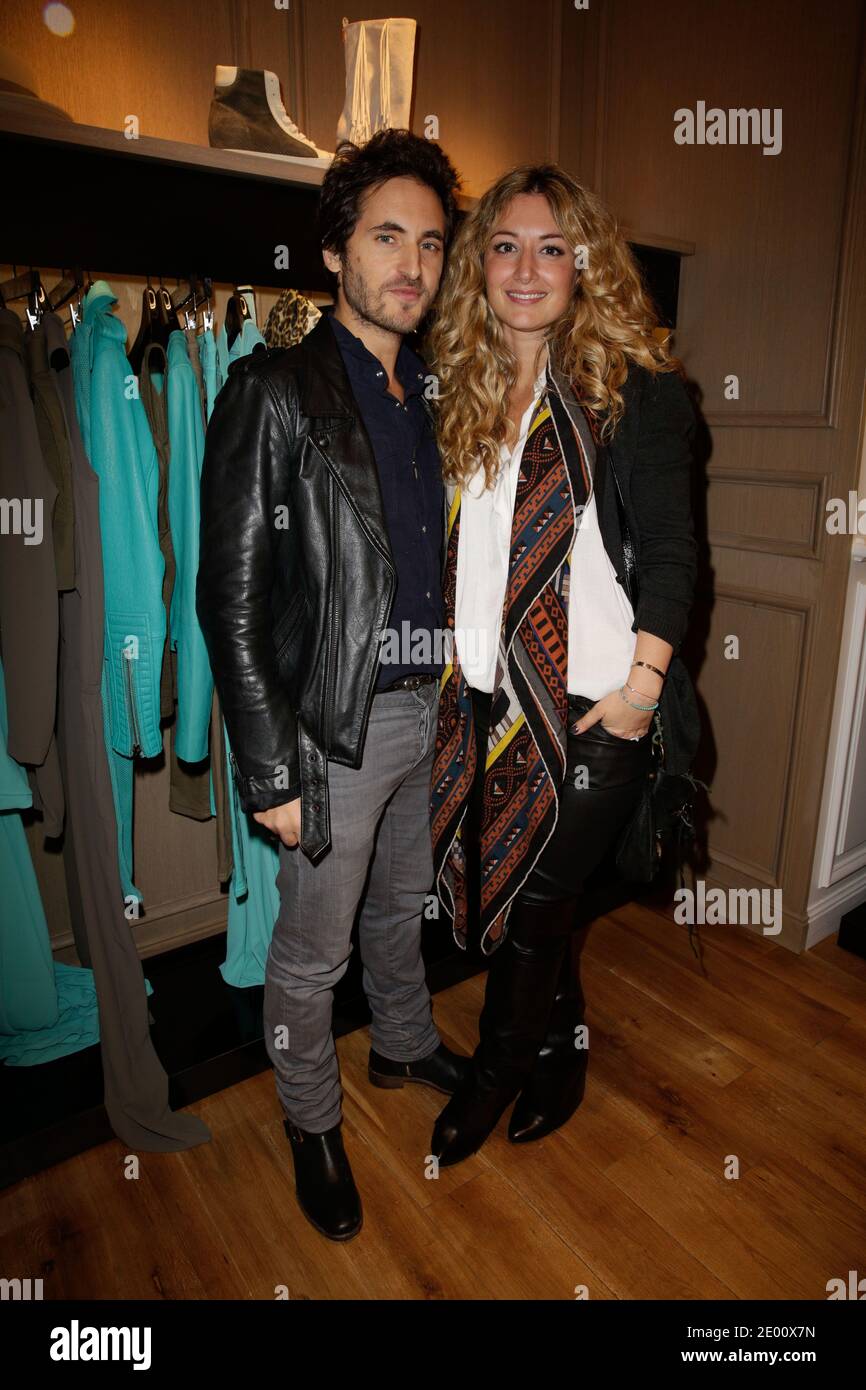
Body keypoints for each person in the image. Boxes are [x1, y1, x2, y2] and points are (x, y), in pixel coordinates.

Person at [196, 129, 468, 1240]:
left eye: (431, 244)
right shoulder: (274, 389)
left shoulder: (433, 398)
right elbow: (232, 597)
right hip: (330, 729)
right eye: (385, 236)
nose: (411, 264)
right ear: (334, 253)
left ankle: (402, 1044)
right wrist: (269, 768)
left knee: (401, 908)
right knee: (314, 952)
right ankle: (311, 1120)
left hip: (424, 706)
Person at [426, 163, 699, 1165]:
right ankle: (560, 1042)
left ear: (584, 266)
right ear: (479, 267)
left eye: (551, 247)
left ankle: (496, 1076)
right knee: (535, 903)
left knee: (536, 903)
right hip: (483, 698)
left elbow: (671, 553)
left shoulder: (634, 390)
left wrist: (639, 691)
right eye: (505, 246)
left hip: (593, 704)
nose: (526, 268)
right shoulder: (461, 387)